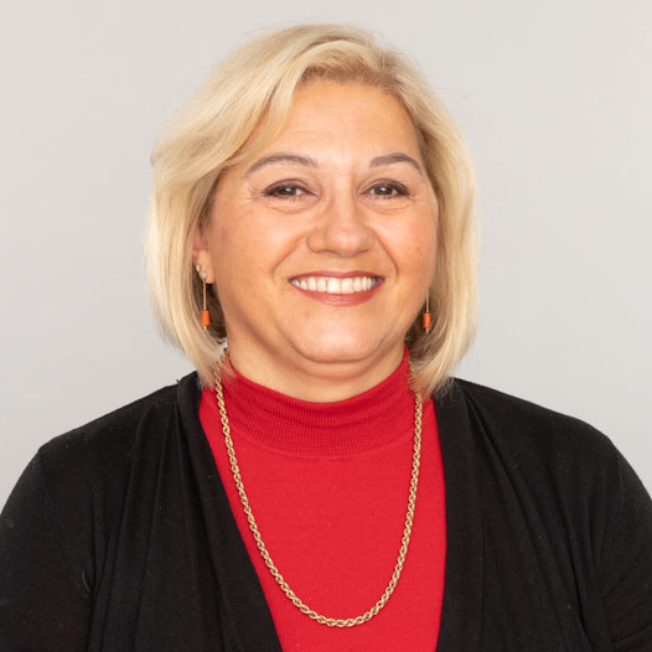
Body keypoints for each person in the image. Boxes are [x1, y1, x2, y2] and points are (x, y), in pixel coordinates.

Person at [1, 23, 651, 652]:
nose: (345, 235)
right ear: (199, 239)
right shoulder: (75, 499)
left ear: (437, 233)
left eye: (385, 188)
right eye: (288, 189)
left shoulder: (579, 483)